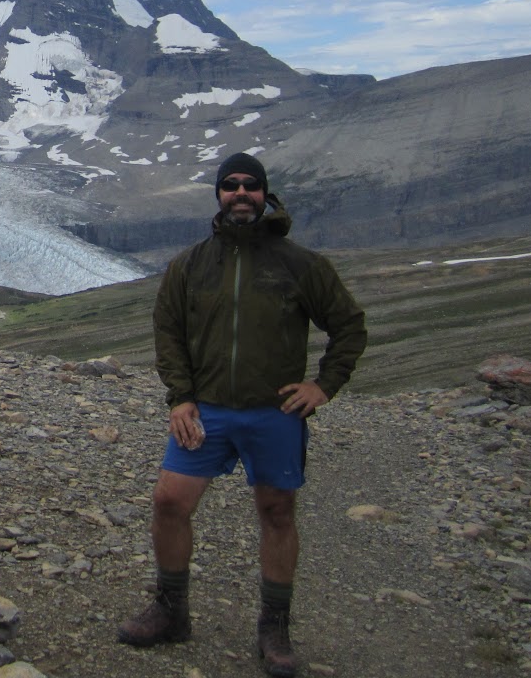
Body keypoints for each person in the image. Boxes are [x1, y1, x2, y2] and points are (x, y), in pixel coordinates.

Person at [118, 151, 367, 677]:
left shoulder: (299, 264)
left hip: (273, 412)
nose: (240, 194)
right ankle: (171, 610)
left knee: (277, 513)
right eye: (230, 185)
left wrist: (323, 385)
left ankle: (275, 626)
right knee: (168, 502)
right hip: (205, 410)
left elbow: (349, 326)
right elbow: (168, 331)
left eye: (250, 186)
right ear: (218, 194)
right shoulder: (190, 265)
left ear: (265, 193)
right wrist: (180, 396)